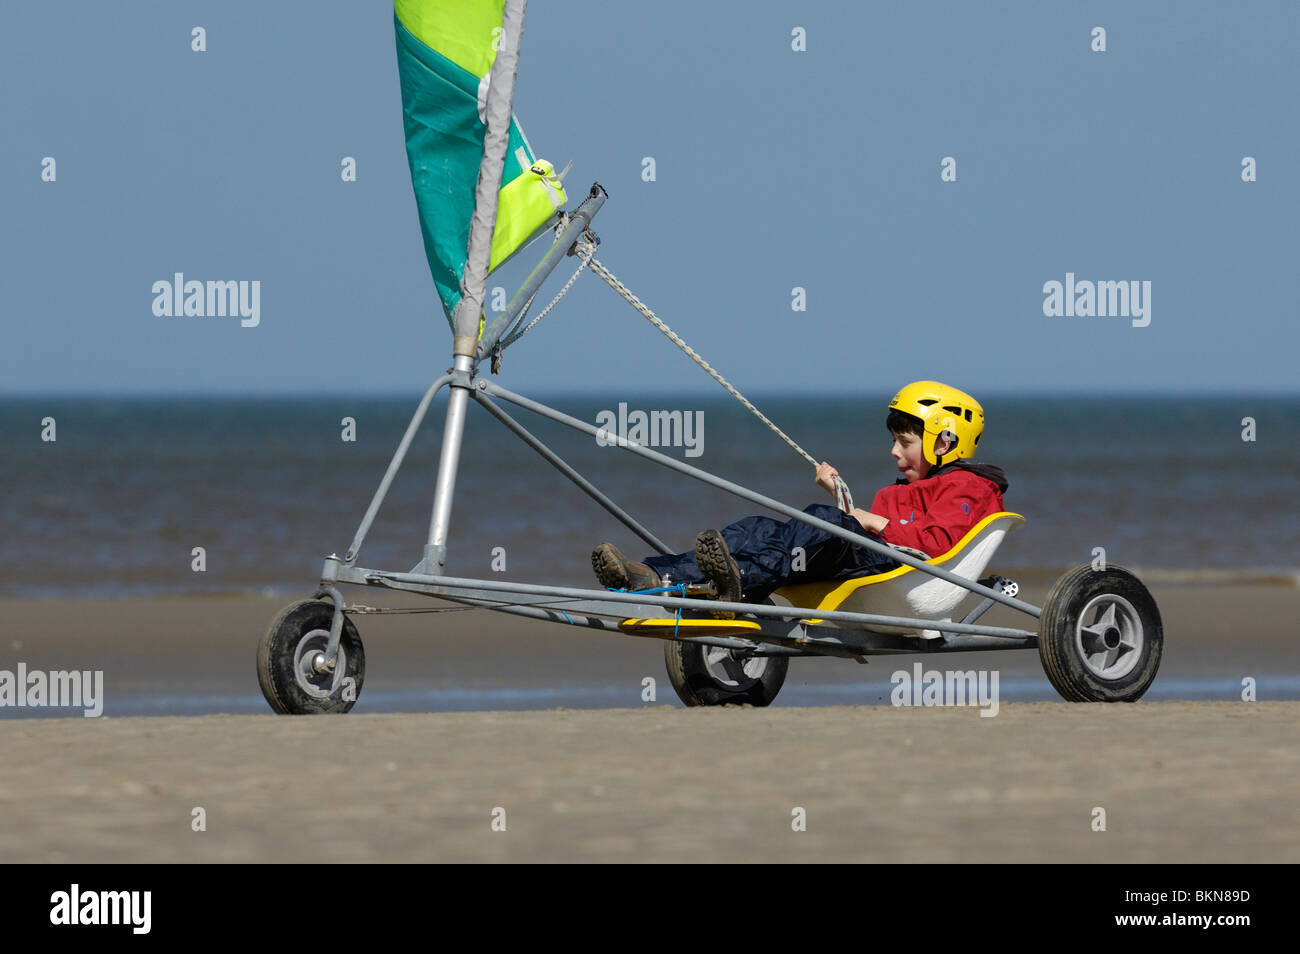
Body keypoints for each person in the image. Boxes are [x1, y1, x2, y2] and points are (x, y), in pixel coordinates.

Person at [590, 380, 1009, 614]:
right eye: (894, 442)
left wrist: (867, 521)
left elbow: (935, 545)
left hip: (910, 575)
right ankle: (653, 574)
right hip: (873, 564)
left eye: (904, 442)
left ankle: (728, 581)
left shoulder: (967, 487)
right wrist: (846, 500)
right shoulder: (898, 491)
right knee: (760, 528)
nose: (895, 452)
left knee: (819, 523)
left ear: (945, 441)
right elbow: (860, 537)